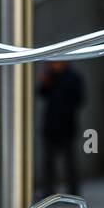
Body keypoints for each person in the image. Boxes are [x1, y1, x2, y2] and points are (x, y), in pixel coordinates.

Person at [38, 60, 86, 198]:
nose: (53, 65)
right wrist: (45, 81)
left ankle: (73, 190)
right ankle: (48, 190)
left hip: (66, 124)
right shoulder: (50, 76)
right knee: (48, 161)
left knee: (69, 160)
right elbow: (41, 93)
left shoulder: (73, 77)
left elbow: (80, 98)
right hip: (50, 124)